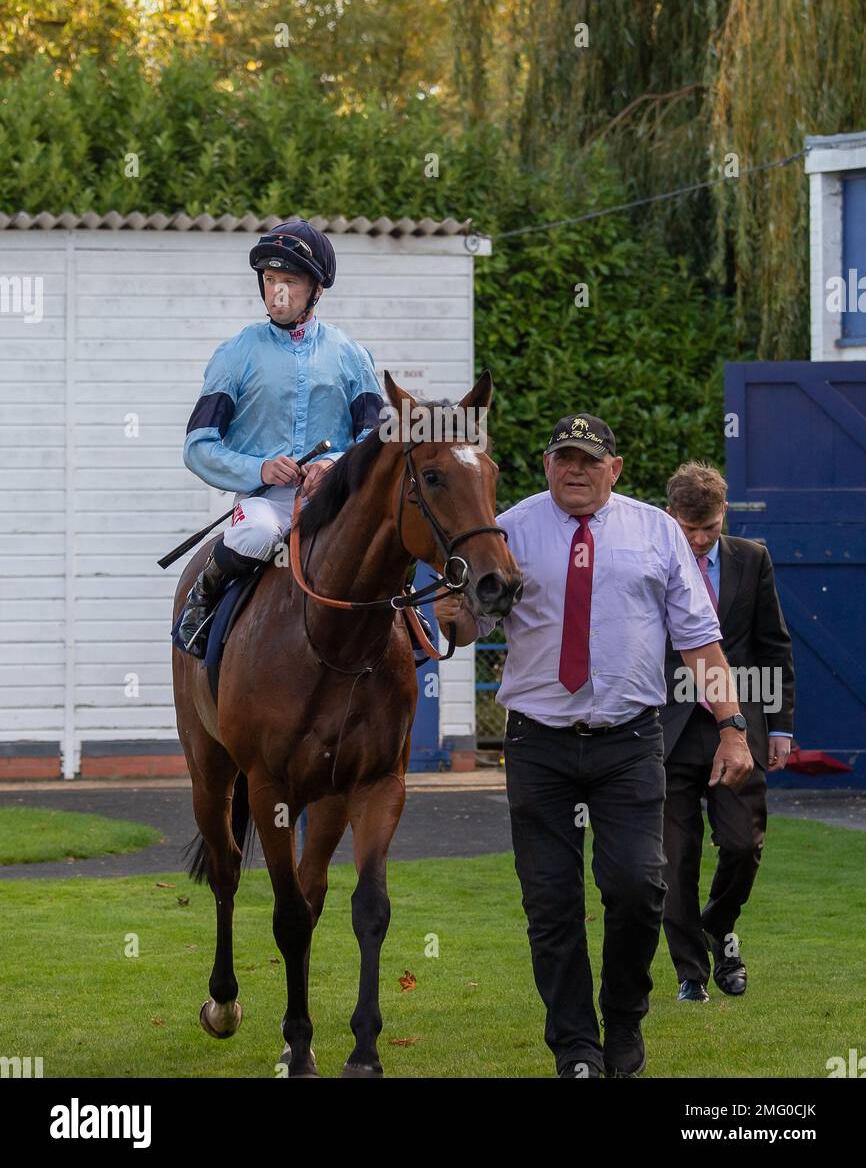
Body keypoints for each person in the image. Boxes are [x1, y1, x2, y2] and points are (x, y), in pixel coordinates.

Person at [435, 415, 752, 1078]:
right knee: (550, 903)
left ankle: (625, 1018)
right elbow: (466, 627)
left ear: (616, 468)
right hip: (538, 745)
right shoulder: (510, 530)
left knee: (638, 885)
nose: (575, 470)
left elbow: (699, 639)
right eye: (563, 459)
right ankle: (576, 1046)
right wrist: (453, 612)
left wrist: (731, 725)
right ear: (546, 466)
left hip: (630, 744)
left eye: (588, 460)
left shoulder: (657, 532)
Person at [176, 218, 384, 655]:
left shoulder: (352, 356)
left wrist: (334, 465)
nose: (278, 293)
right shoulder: (235, 355)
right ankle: (203, 601)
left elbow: (374, 438)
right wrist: (260, 467)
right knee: (252, 533)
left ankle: (411, 619)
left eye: (290, 281)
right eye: (270, 280)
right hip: (264, 503)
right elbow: (198, 447)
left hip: (335, 500)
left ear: (317, 291)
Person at [661, 461, 794, 1003]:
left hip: (738, 727)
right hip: (664, 730)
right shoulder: (650, 556)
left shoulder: (752, 559)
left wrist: (780, 726)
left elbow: (774, 645)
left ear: (725, 515)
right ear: (670, 516)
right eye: (688, 528)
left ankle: (717, 927)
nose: (697, 540)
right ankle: (692, 972)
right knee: (674, 859)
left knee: (742, 847)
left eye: (709, 528)